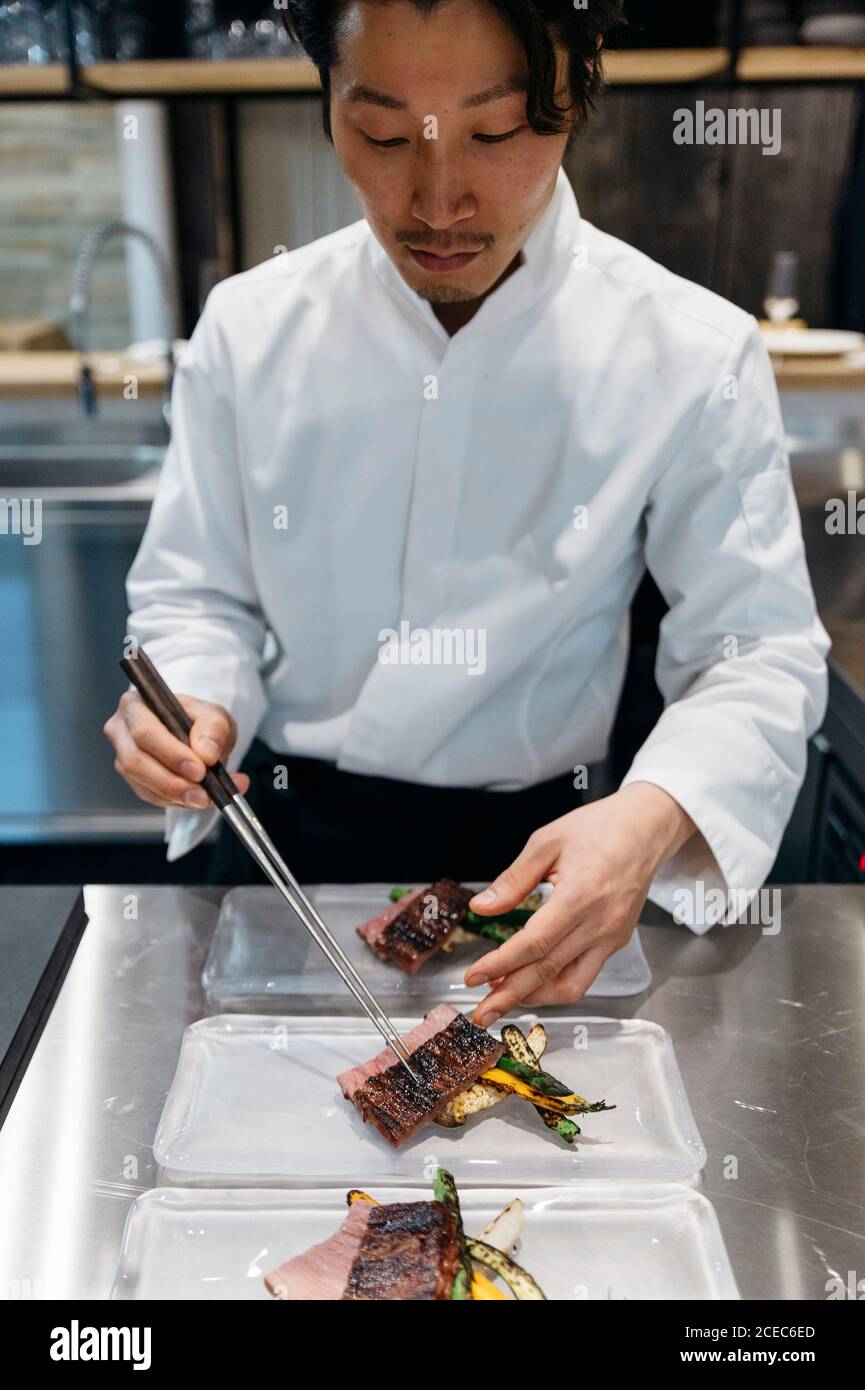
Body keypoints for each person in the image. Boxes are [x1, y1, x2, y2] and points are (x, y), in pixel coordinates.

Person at [104, 0, 828, 1027]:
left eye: (496, 134)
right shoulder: (250, 328)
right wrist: (188, 705)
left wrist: (653, 817)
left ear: (576, 90)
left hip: (552, 862)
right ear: (326, 104)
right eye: (385, 134)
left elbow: (754, 651)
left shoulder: (687, 351)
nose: (439, 200)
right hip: (281, 851)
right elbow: (197, 596)